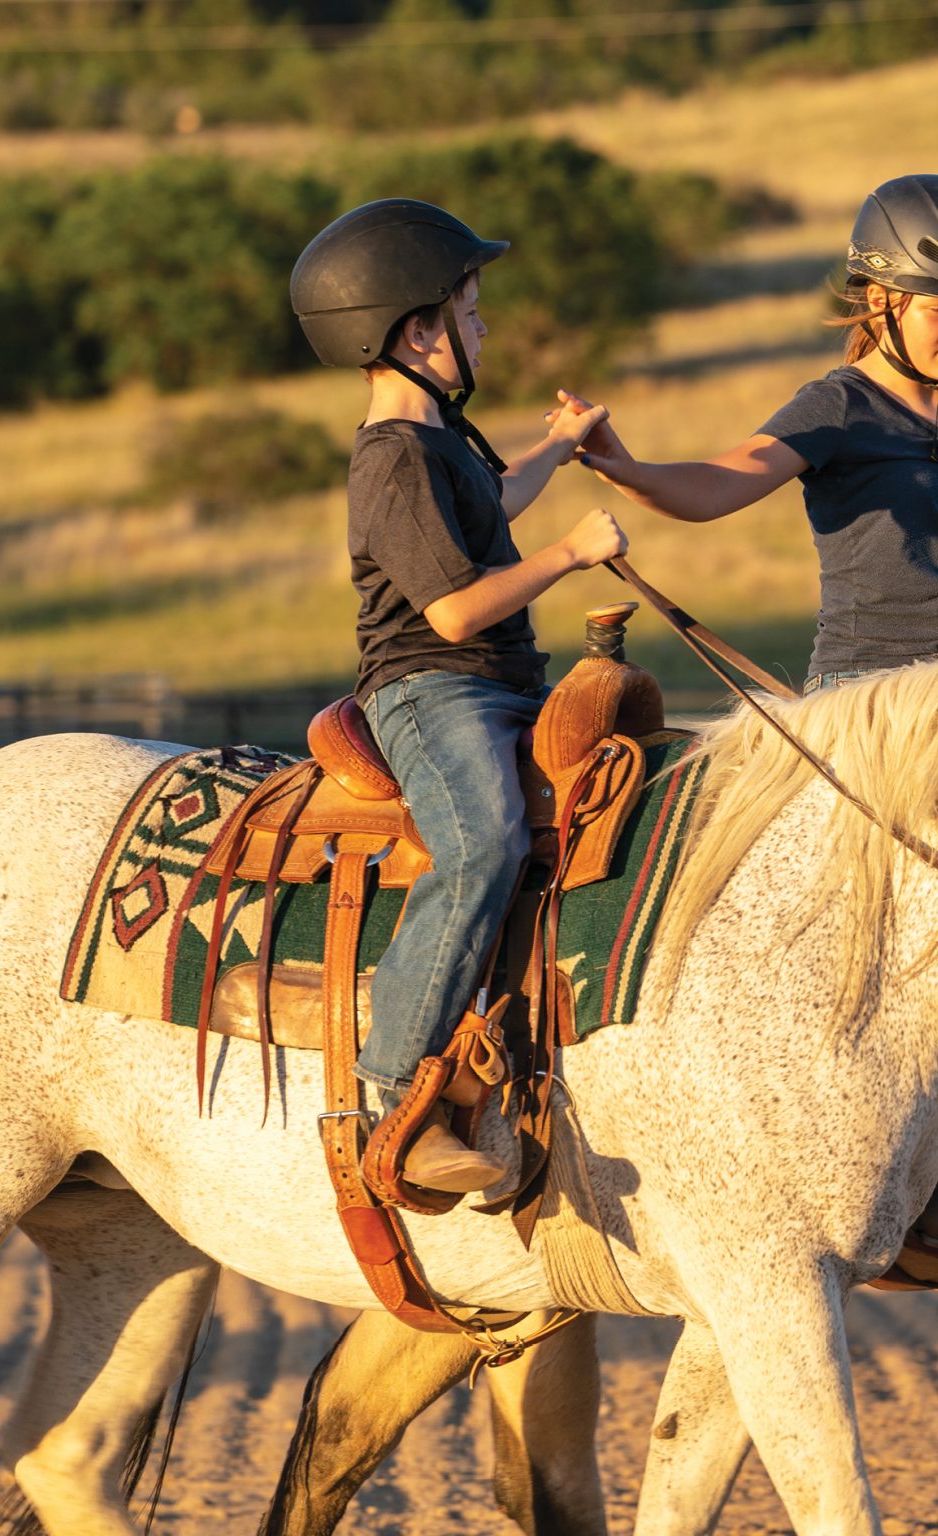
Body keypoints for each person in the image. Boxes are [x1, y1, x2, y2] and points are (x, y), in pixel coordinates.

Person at [569, 173, 938, 1248]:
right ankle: (923, 1158)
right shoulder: (836, 406)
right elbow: (724, 482)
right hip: (870, 709)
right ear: (880, 302)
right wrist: (627, 470)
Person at [291, 198, 627, 1195]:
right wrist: (570, 556)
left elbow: (493, 505)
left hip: (496, 687)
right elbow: (451, 613)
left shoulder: (438, 441)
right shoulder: (391, 459)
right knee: (482, 841)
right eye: (470, 312)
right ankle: (392, 1101)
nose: (482, 329)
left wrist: (561, 446)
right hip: (432, 693)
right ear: (416, 332)